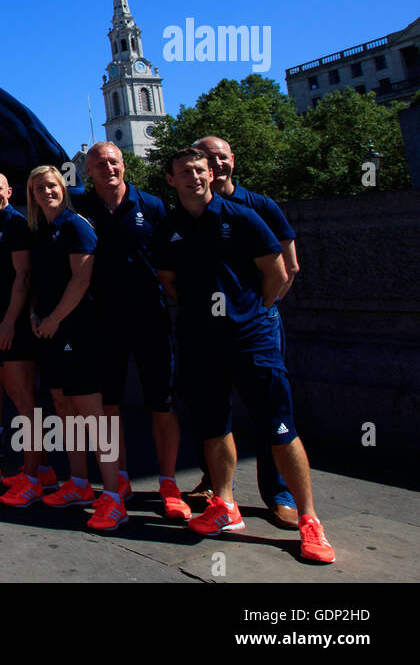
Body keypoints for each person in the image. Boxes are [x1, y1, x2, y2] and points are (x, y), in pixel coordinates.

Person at [152, 147, 333, 563]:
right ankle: (226, 506)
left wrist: (247, 314)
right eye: (185, 172)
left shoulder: (244, 217)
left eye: (200, 170)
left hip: (252, 340)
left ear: (210, 173)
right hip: (201, 344)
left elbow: (278, 273)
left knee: (280, 428)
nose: (195, 177)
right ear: (171, 180)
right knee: (214, 427)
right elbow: (170, 282)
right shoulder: (168, 229)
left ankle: (309, 520)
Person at [74, 142, 188, 520]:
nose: (108, 168)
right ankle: (118, 478)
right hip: (104, 322)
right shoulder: (83, 210)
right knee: (109, 406)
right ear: (88, 172)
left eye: (113, 161)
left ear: (124, 165)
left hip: (150, 319)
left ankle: (168, 483)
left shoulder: (152, 206)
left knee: (163, 403)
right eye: (99, 164)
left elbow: (172, 262)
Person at [192, 135, 300, 528]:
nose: (216, 165)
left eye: (221, 158)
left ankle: (279, 494)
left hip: (257, 327)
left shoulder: (259, 206)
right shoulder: (189, 213)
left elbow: (288, 268)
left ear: (232, 160)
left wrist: (262, 309)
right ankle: (214, 485)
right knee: (211, 410)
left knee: (270, 412)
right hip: (208, 331)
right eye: (208, 160)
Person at [28, 165, 125, 532]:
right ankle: (80, 485)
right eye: (38, 188)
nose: (46, 192)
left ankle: (113, 496)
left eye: (51, 185)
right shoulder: (42, 232)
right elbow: (42, 280)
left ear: (63, 187)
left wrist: (54, 318)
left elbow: (82, 278)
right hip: (51, 333)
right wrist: (38, 313)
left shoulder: (76, 225)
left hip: (79, 332)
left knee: (93, 416)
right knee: (65, 409)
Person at [0, 172, 51, 506]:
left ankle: (33, 479)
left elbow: (23, 276)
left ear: (9, 191)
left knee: (25, 403)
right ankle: (41, 470)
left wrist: (9, 322)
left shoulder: (16, 225)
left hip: (16, 325)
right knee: (16, 397)